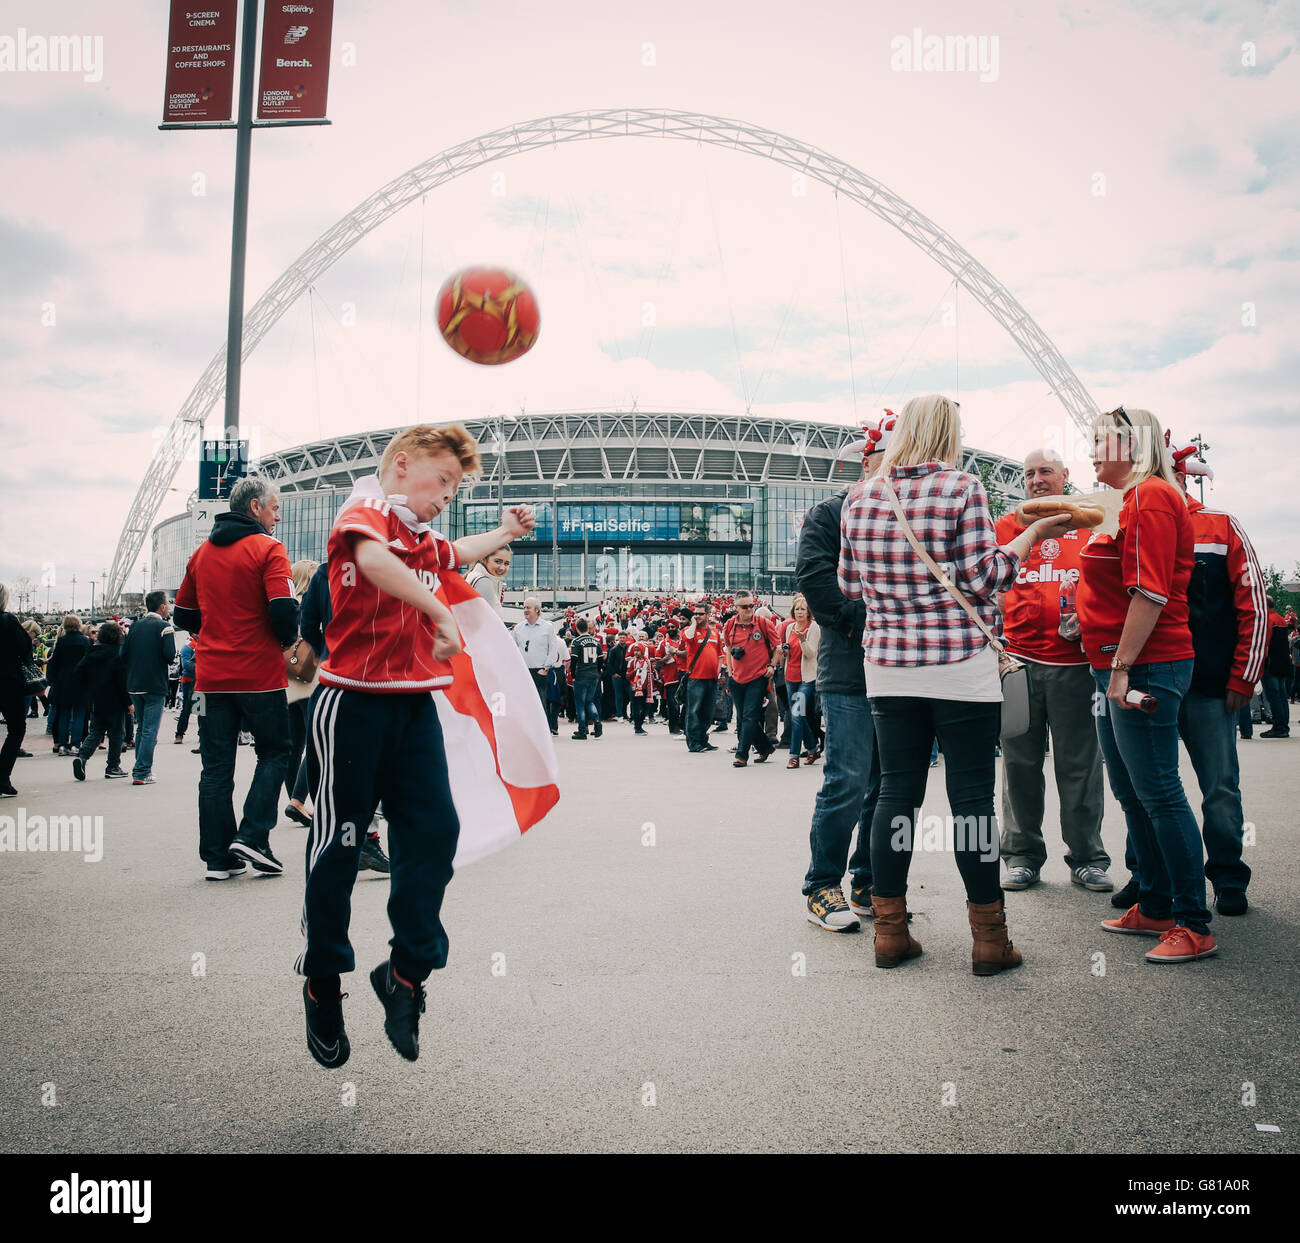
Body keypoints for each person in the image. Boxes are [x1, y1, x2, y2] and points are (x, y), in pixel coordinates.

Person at [296, 423, 533, 1067]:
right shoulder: (366, 507)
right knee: (341, 842)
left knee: (433, 833)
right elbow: (374, 561)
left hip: (412, 706)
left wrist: (507, 534)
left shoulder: (421, 534)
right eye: (444, 481)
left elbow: (453, 552)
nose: (448, 496)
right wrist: (437, 613)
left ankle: (404, 973)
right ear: (402, 465)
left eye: (457, 489)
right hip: (352, 703)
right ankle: (322, 980)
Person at [839, 394, 1071, 975]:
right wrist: (1031, 535)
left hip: (889, 667)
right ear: (949, 432)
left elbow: (848, 584)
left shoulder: (862, 495)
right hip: (960, 666)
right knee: (970, 800)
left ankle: (890, 932)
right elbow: (984, 577)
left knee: (896, 793)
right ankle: (989, 940)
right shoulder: (960, 487)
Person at [1079, 407, 1215, 964]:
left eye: (1100, 441)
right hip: (1121, 663)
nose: (1090, 450)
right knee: (1134, 793)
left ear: (1131, 445)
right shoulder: (1129, 501)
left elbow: (1151, 593)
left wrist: (1120, 668)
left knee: (1159, 791)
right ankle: (1158, 903)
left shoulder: (1152, 497)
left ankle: (1193, 922)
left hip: (1144, 665)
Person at [1146, 439, 1266, 918]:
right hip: (1151, 683)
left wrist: (1244, 677)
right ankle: (1153, 881)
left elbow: (1254, 603)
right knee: (1150, 790)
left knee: (1218, 787)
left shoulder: (1219, 524)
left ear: (1177, 473)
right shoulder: (1133, 522)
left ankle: (1228, 876)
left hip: (1210, 686)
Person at [993, 449, 1111, 893]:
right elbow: (990, 585)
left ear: (1066, 475)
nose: (1036, 480)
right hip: (1018, 662)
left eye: (1045, 471)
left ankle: (1087, 857)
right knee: (1019, 765)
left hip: (1076, 666)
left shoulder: (1089, 524)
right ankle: (1022, 855)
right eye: (1029, 474)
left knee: (1079, 765)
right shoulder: (1007, 526)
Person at [173, 475, 299, 881]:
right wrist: (286, 641)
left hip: (208, 680)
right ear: (255, 508)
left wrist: (216, 626)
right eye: (275, 508)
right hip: (258, 674)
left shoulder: (201, 554)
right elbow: (283, 611)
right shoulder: (269, 549)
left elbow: (183, 616)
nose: (278, 516)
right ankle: (253, 836)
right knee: (276, 751)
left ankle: (217, 858)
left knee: (215, 766)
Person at [797, 413, 892, 932]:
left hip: (903, 667)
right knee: (848, 780)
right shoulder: (831, 512)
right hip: (851, 668)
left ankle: (867, 879)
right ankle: (821, 885)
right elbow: (813, 578)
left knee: (888, 784)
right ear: (868, 460)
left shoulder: (909, 515)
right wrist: (865, 623)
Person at [121, 590, 177, 786]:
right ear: (162, 607)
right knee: (150, 730)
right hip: (155, 684)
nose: (168, 607)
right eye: (167, 604)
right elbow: (170, 655)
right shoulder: (165, 628)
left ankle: (140, 767)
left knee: (142, 727)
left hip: (135, 684)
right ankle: (142, 771)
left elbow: (124, 655)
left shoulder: (134, 627)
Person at [722, 590, 779, 768]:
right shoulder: (730, 625)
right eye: (745, 606)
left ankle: (742, 754)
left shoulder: (763, 623)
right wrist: (730, 674)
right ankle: (765, 747)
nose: (749, 609)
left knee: (748, 716)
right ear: (737, 608)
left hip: (758, 677)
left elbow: (777, 646)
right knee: (744, 718)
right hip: (737, 678)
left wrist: (772, 666)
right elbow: (728, 650)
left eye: (751, 606)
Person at [71, 620, 131, 781]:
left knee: (96, 732)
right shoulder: (118, 654)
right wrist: (128, 702)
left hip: (96, 699)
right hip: (115, 700)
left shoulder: (92, 652)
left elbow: (78, 671)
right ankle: (113, 766)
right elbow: (121, 681)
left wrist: (88, 689)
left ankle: (82, 757)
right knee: (117, 734)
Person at [0, 583, 34, 798]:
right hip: (8, 681)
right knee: (16, 729)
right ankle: (3, 776)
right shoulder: (8, 620)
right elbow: (25, 649)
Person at [782, 594, 821, 768]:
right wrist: (784, 650)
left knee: (796, 715)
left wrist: (803, 640)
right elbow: (789, 652)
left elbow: (811, 653)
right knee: (799, 715)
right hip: (791, 676)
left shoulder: (814, 628)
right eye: (797, 609)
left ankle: (794, 755)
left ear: (808, 612)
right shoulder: (790, 628)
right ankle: (812, 748)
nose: (799, 612)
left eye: (803, 609)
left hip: (806, 678)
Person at [45, 614, 91, 757]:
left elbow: (54, 663)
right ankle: (75, 745)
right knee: (79, 714)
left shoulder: (61, 642)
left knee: (64, 714)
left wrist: (52, 679)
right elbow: (89, 663)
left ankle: (62, 745)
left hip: (62, 682)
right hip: (81, 682)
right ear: (79, 625)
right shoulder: (86, 641)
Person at [681, 601, 723, 753]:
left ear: (708, 615)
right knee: (694, 711)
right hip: (696, 677)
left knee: (707, 712)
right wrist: (693, 622)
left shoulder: (714, 632)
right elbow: (688, 636)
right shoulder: (689, 629)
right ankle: (693, 743)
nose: (697, 616)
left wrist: (718, 673)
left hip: (711, 678)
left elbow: (720, 655)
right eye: (695, 614)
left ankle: (703, 740)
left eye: (700, 614)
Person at [513, 597, 559, 734]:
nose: (525, 610)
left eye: (528, 607)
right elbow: (513, 648)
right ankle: (526, 732)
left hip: (540, 671)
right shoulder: (518, 628)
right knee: (523, 703)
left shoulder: (547, 627)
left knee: (540, 703)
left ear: (537, 610)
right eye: (524, 607)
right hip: (523, 672)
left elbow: (553, 649)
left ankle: (542, 733)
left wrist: (546, 668)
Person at [1259, 596, 1291, 738]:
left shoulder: (1267, 621)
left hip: (1271, 663)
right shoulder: (1281, 619)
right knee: (1282, 695)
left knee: (1274, 695)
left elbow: (1265, 644)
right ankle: (1284, 724)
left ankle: (1279, 726)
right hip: (1282, 662)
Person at [569, 617, 604, 739]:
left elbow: (573, 661)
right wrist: (598, 671)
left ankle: (582, 731)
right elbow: (600, 659)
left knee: (580, 704)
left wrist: (573, 675)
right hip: (593, 675)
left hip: (581, 675)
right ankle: (597, 722)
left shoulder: (576, 641)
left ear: (577, 628)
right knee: (590, 701)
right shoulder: (596, 641)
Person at [464, 545, 511, 614]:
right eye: (497, 561)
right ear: (483, 559)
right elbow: (484, 621)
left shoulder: (475, 576)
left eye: (506, 563)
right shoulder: (483, 582)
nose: (502, 568)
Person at [174, 637, 196, 744]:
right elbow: (186, 665)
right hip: (189, 681)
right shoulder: (188, 647)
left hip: (199, 680)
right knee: (186, 708)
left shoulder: (202, 643)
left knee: (201, 710)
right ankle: (179, 734)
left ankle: (202, 736)